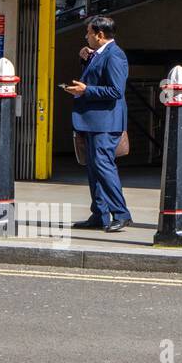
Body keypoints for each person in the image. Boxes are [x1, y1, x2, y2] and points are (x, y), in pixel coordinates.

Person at [63, 15, 132, 232]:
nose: (86, 36)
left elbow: (115, 90)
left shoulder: (115, 56)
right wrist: (86, 60)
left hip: (106, 123)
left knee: (104, 167)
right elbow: (96, 77)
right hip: (93, 122)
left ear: (100, 35)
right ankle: (99, 214)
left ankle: (121, 214)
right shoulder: (98, 54)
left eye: (89, 33)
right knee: (94, 169)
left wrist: (86, 90)